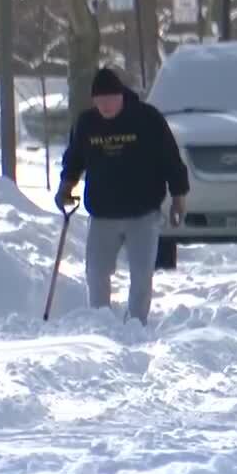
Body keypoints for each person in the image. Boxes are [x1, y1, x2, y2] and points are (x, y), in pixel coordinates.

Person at [56, 68, 190, 326]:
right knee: (96, 273)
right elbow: (74, 159)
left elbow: (170, 159)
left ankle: (137, 324)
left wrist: (179, 196)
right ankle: (100, 321)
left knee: (141, 275)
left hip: (143, 213)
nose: (105, 105)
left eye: (110, 99)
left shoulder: (147, 119)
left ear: (121, 96)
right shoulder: (87, 123)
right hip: (102, 214)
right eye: (99, 100)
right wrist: (66, 185)